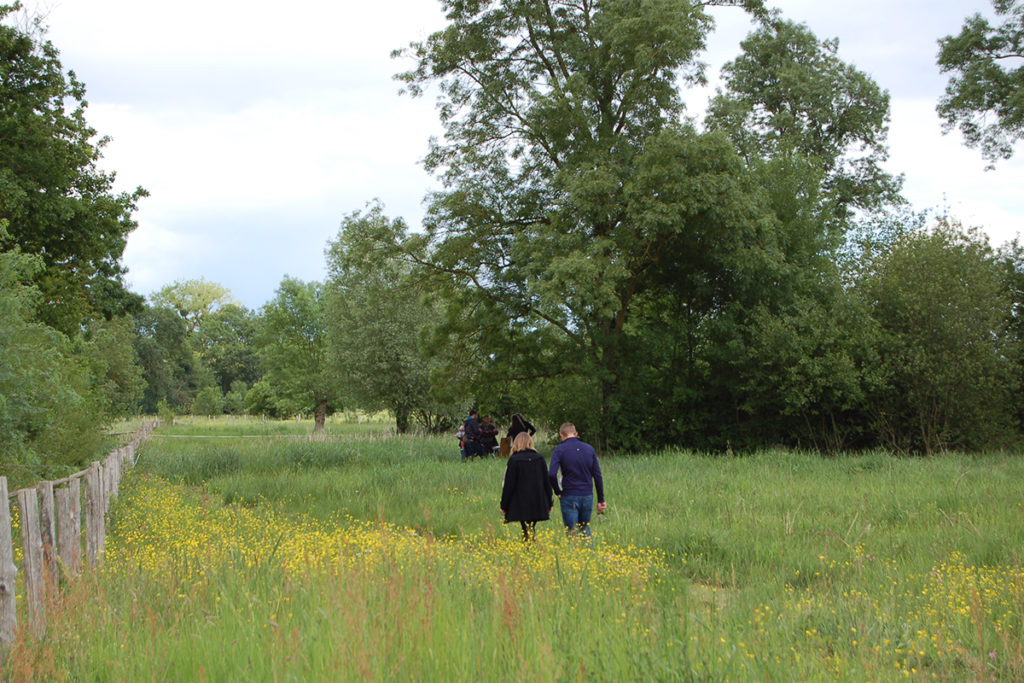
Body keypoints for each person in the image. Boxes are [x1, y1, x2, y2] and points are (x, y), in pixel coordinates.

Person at [548, 422, 606, 539]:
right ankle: (589, 554)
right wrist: (601, 499)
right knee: (585, 528)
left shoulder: (559, 450)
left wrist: (557, 491)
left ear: (561, 435)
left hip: (569, 494)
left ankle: (574, 556)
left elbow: (552, 474)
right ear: (576, 434)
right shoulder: (589, 449)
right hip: (587, 494)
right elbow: (597, 476)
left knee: (571, 531)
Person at [500, 432, 553, 541]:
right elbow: (546, 482)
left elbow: (509, 485)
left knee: (525, 526)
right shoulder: (539, 459)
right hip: (537, 499)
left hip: (520, 501)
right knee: (530, 526)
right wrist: (549, 502)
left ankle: (528, 546)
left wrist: (504, 505)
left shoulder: (514, 460)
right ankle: (529, 545)